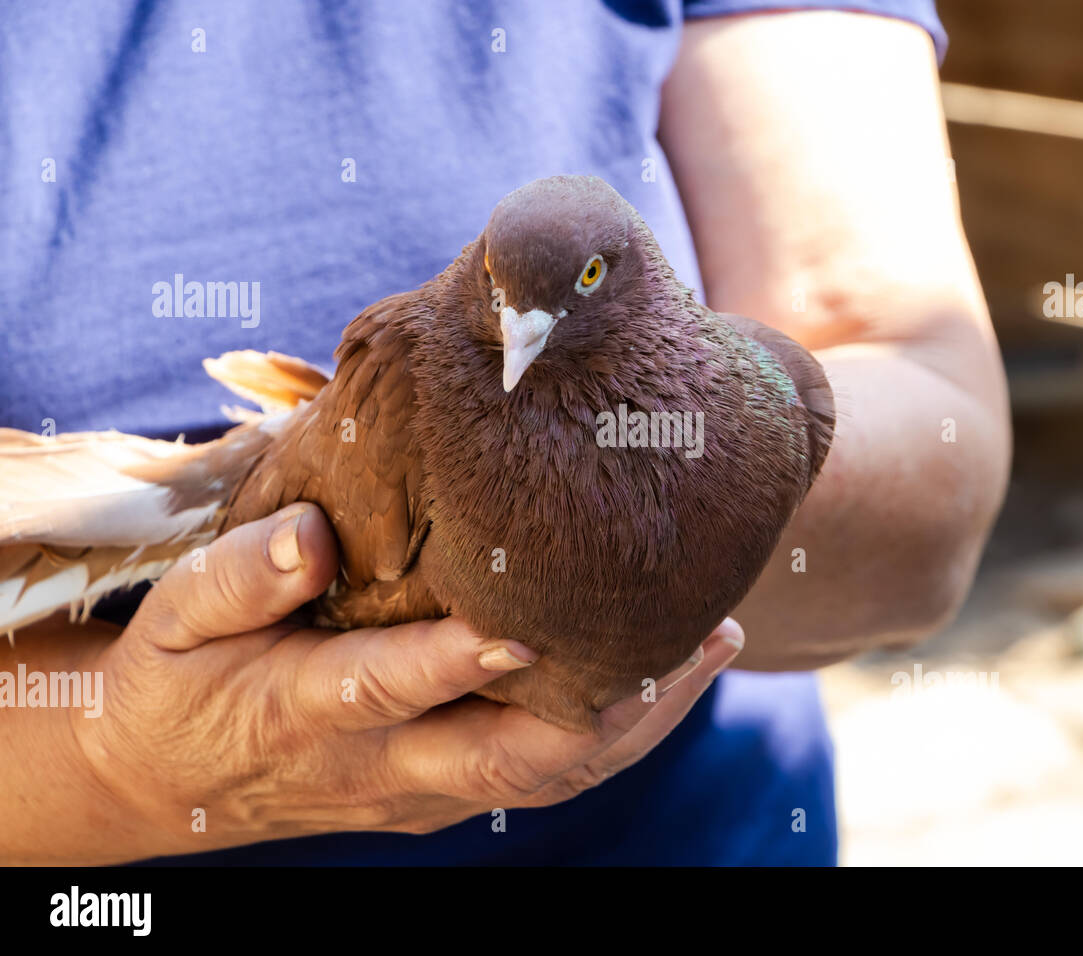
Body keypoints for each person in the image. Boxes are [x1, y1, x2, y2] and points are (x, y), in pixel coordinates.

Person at [0, 0, 1009, 864]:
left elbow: (918, 418)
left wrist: (639, 488)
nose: (524, 332)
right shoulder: (417, 383)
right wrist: (104, 766)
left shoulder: (722, 377)